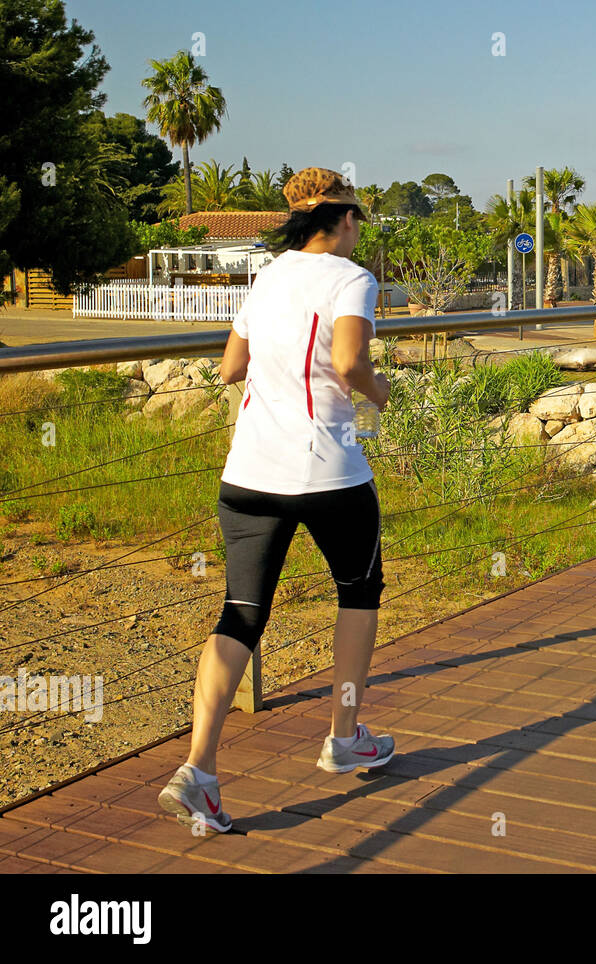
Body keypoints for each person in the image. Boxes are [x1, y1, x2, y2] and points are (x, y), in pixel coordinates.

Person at [157, 168, 395, 834]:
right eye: (358, 223)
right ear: (344, 220)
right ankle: (344, 737)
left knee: (239, 613)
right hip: (329, 475)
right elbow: (349, 363)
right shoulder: (353, 280)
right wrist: (378, 392)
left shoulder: (266, 278)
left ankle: (198, 770)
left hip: (250, 471)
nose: (358, 234)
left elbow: (232, 367)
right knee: (358, 591)